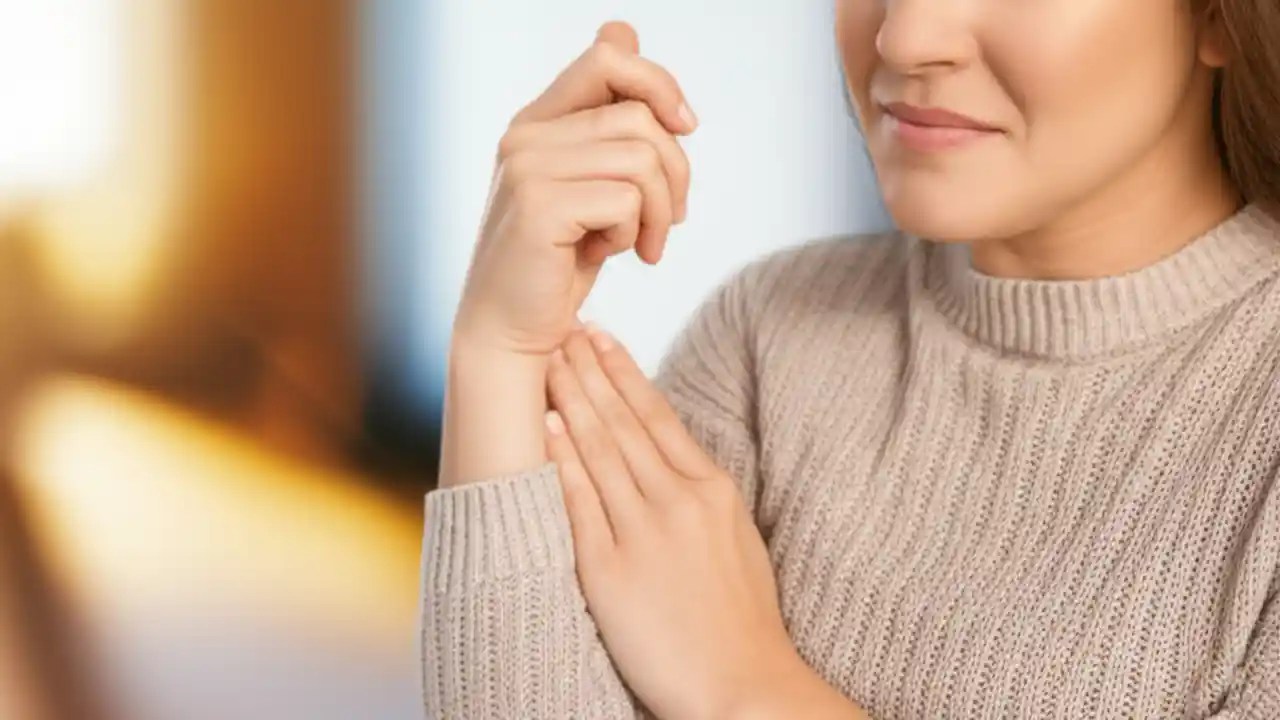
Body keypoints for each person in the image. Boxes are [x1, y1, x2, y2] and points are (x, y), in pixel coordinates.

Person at [422, 1, 1280, 716]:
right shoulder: (770, 338)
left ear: (1220, 18)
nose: (904, 37)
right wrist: (498, 349)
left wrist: (747, 688)